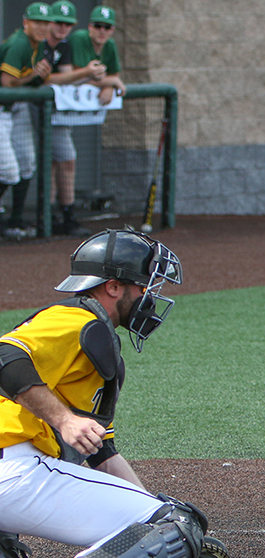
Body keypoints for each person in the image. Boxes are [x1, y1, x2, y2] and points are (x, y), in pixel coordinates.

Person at [0, 228, 230, 558]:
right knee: (174, 528)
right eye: (143, 286)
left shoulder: (98, 343)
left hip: (12, 477)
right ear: (113, 286)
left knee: (158, 524)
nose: (150, 297)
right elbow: (5, 356)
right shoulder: (76, 318)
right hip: (14, 471)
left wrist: (146, 515)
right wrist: (65, 420)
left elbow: (102, 454)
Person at [37, 0, 109, 237]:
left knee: (60, 161)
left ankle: (59, 216)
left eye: (67, 23)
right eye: (58, 22)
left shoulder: (64, 45)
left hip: (55, 115)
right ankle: (43, 217)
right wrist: (88, 72)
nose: (62, 27)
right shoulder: (37, 45)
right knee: (33, 165)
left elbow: (67, 77)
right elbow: (46, 80)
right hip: (26, 111)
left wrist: (108, 82)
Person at [0, 2, 53, 240]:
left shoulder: (39, 45)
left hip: (16, 109)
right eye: (37, 22)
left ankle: (16, 220)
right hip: (2, 108)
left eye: (45, 23)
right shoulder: (19, 42)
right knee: (9, 171)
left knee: (27, 163)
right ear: (25, 23)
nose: (42, 27)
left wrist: (36, 78)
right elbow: (7, 83)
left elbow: (28, 81)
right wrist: (34, 76)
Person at [69, 5, 127, 106]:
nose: (102, 31)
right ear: (90, 26)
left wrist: (108, 87)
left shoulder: (110, 44)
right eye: (98, 26)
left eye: (107, 27)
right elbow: (77, 78)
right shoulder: (80, 38)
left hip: (88, 105)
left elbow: (114, 74)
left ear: (112, 30)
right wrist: (112, 81)